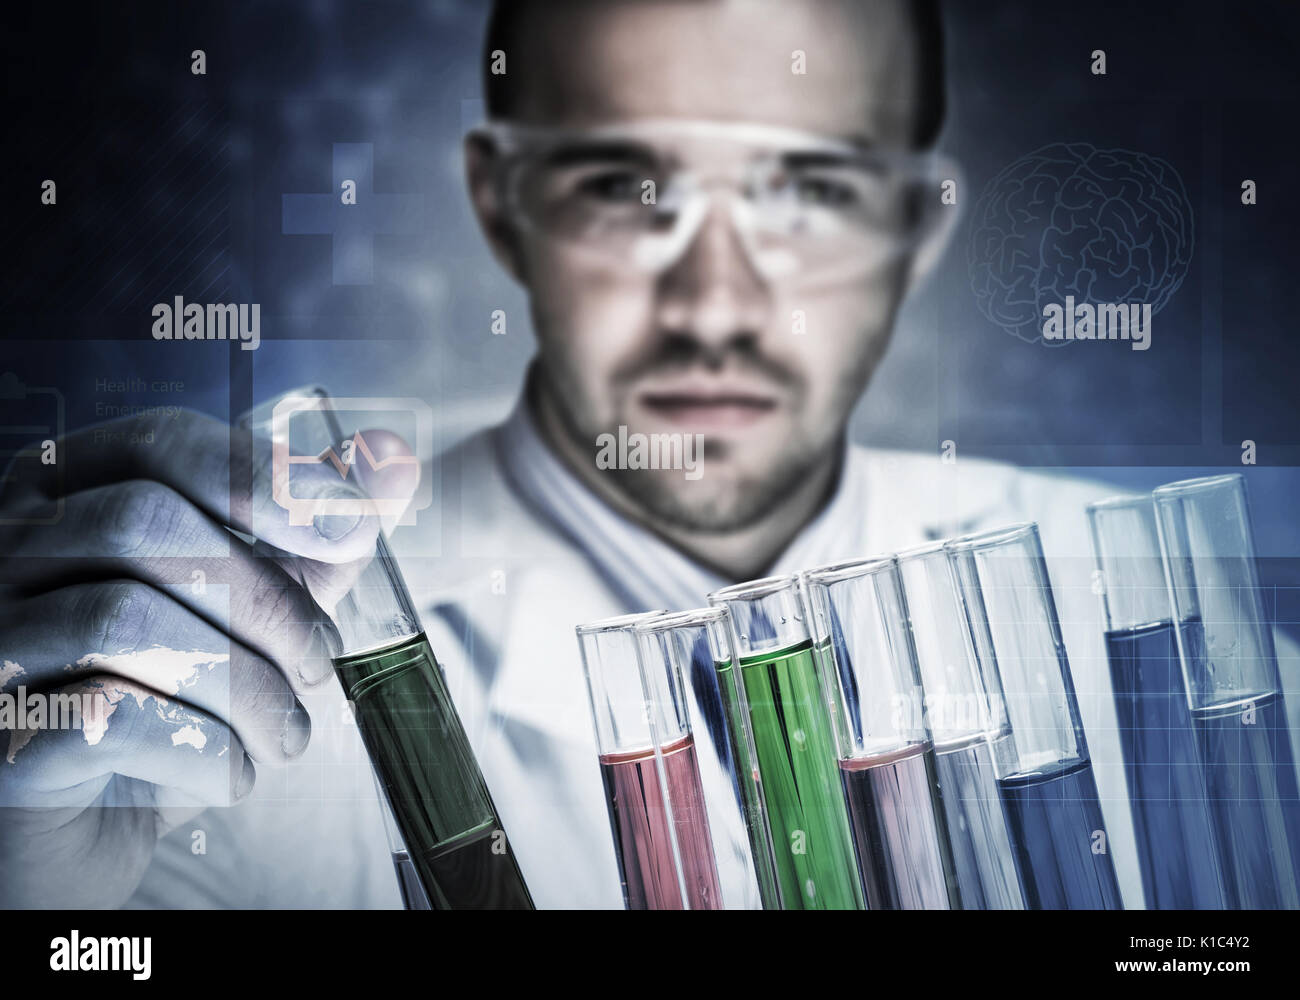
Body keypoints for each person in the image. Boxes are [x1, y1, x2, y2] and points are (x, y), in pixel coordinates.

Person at [0, 0, 1293, 910]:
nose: (715, 304)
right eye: (626, 188)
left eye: (813, 191)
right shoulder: (203, 689)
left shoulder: (1176, 632)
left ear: (917, 224)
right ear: (500, 206)